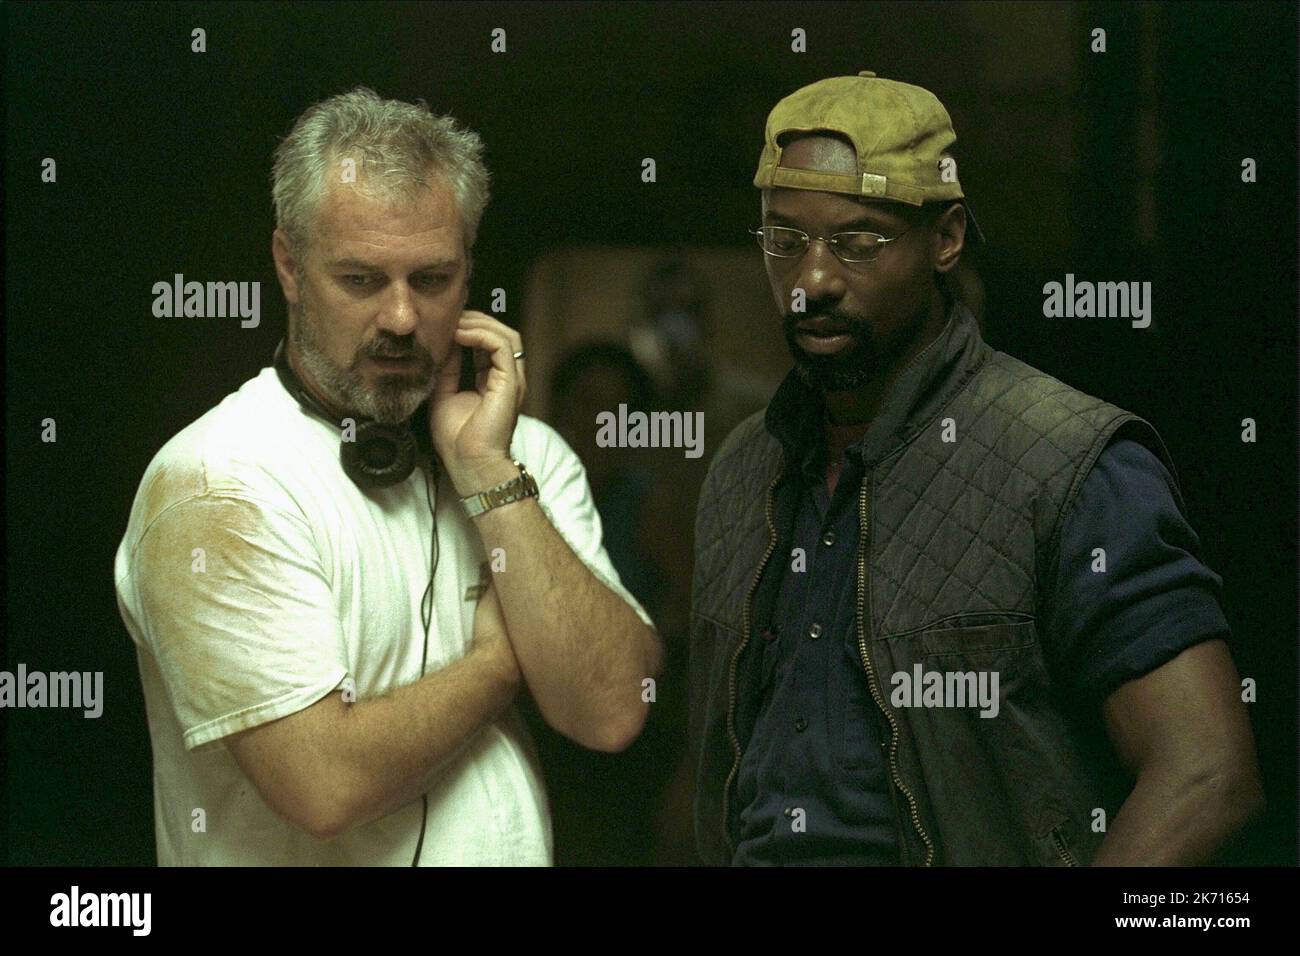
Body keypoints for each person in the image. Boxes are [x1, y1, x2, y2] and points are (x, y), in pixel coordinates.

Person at [688, 71, 1263, 866]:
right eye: (785, 241)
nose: (811, 281)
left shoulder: (1065, 459)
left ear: (946, 239)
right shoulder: (741, 469)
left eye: (857, 243)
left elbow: (1207, 775)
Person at [113, 87, 661, 866]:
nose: (402, 318)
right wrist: (505, 657)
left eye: (432, 279)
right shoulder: (217, 485)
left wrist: (487, 473)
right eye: (362, 280)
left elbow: (611, 711)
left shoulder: (523, 457)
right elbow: (322, 785)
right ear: (289, 266)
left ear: (469, 276)